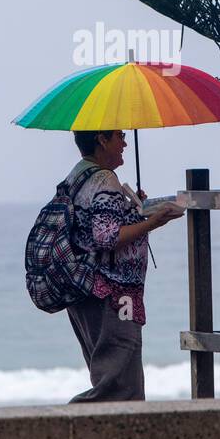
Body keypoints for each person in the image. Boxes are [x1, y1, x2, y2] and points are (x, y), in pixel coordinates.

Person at [64, 129, 184, 403]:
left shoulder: (77, 176)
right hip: (112, 295)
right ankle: (60, 427)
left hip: (85, 291)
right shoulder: (105, 179)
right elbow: (107, 238)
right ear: (101, 140)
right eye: (118, 136)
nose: (125, 143)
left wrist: (133, 210)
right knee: (121, 389)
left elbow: (91, 229)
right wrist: (153, 222)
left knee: (108, 379)